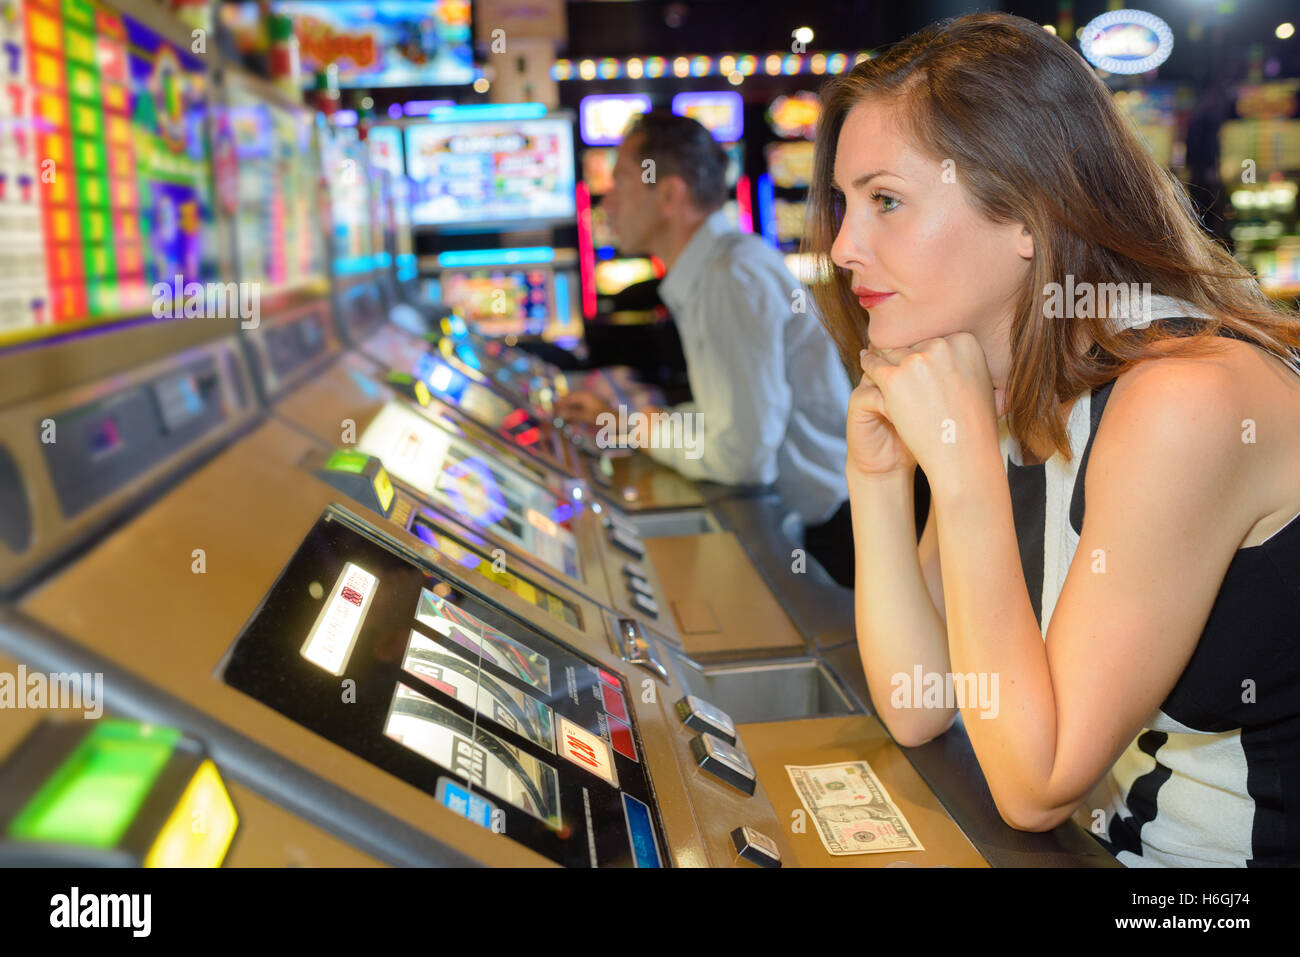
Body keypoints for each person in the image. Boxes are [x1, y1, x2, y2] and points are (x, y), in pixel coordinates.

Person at [807, 12, 1300, 866]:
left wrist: (960, 477)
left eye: (886, 200)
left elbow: (1038, 784)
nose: (846, 247)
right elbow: (920, 700)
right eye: (845, 206)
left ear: (1027, 214)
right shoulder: (1013, 374)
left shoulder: (1184, 402)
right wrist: (880, 473)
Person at [556, 111, 858, 585]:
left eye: (618, 182)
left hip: (826, 541)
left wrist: (641, 432)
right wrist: (626, 424)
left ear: (670, 194)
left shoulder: (727, 281)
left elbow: (743, 455)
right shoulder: (721, 267)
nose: (606, 202)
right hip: (804, 521)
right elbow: (729, 423)